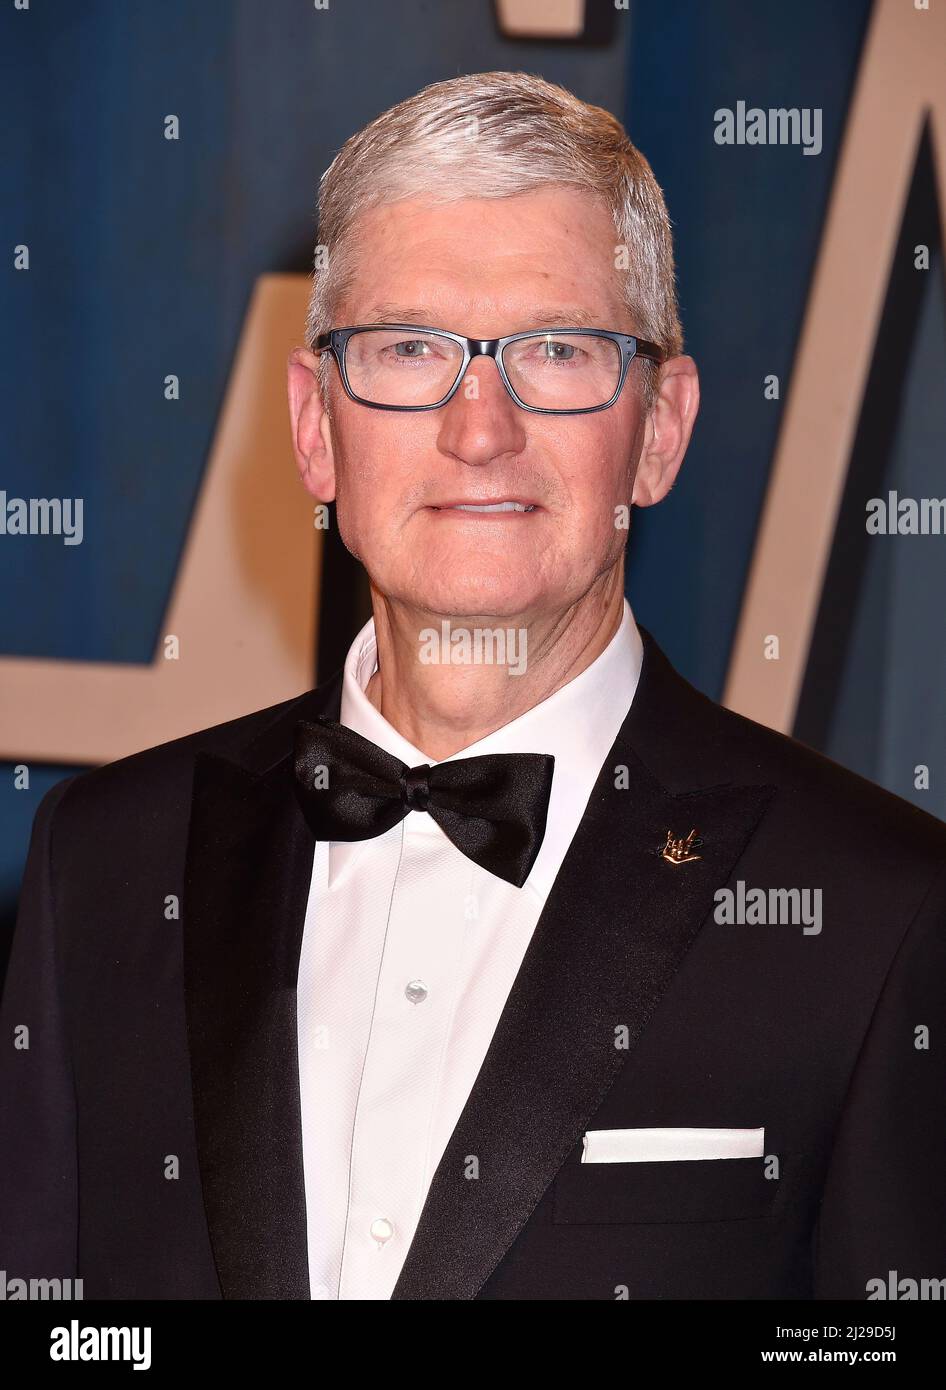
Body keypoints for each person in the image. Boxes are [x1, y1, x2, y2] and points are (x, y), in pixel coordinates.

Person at [2, 71, 944, 1302]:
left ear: (657, 431)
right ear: (313, 428)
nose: (478, 427)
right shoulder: (105, 865)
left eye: (555, 350)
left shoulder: (880, 910)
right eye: (409, 349)